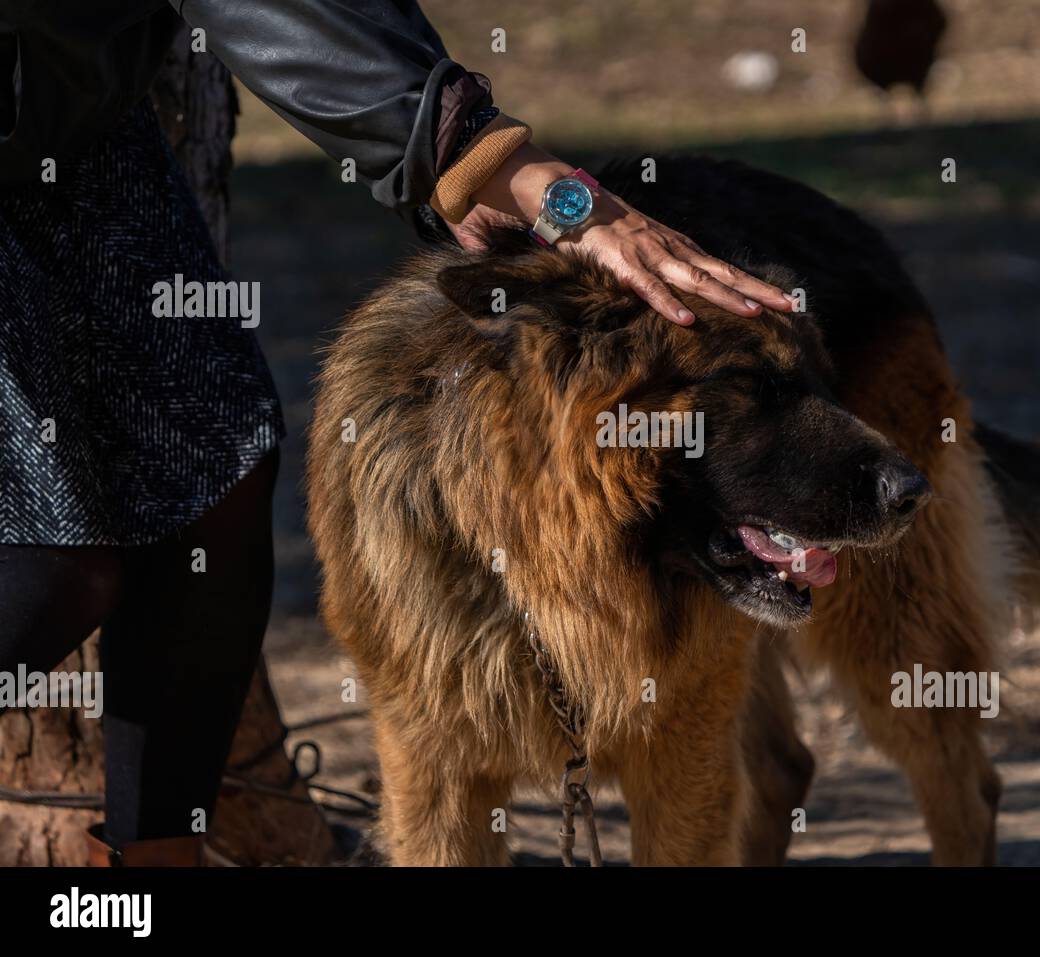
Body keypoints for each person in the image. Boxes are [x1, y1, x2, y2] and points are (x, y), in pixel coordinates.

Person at [0, 1, 793, 865]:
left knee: (211, 485)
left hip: (75, 125)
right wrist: (500, 162)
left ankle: (145, 891)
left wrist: (464, 158)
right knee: (50, 564)